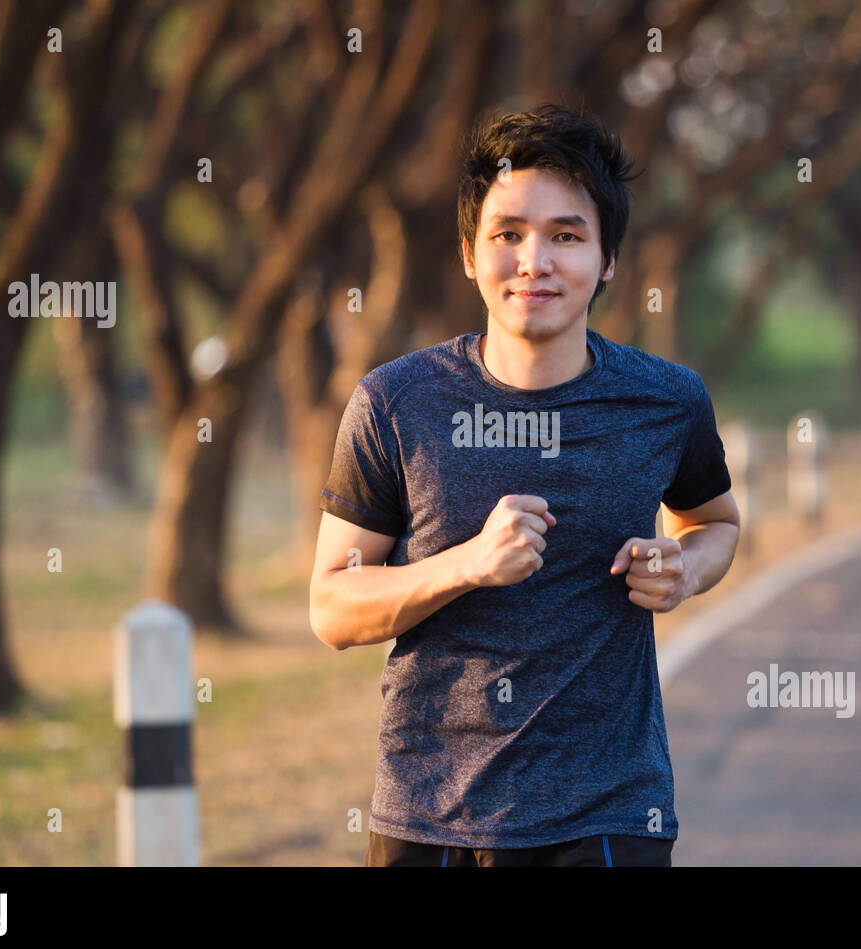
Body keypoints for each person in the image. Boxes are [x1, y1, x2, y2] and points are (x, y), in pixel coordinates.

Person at [309, 103, 741, 867]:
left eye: (566, 236)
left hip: (610, 817)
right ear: (471, 255)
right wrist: (467, 564)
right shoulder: (397, 402)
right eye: (508, 234)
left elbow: (714, 522)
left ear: (607, 260)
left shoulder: (665, 402)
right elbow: (333, 608)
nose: (534, 261)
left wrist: (684, 570)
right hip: (430, 818)